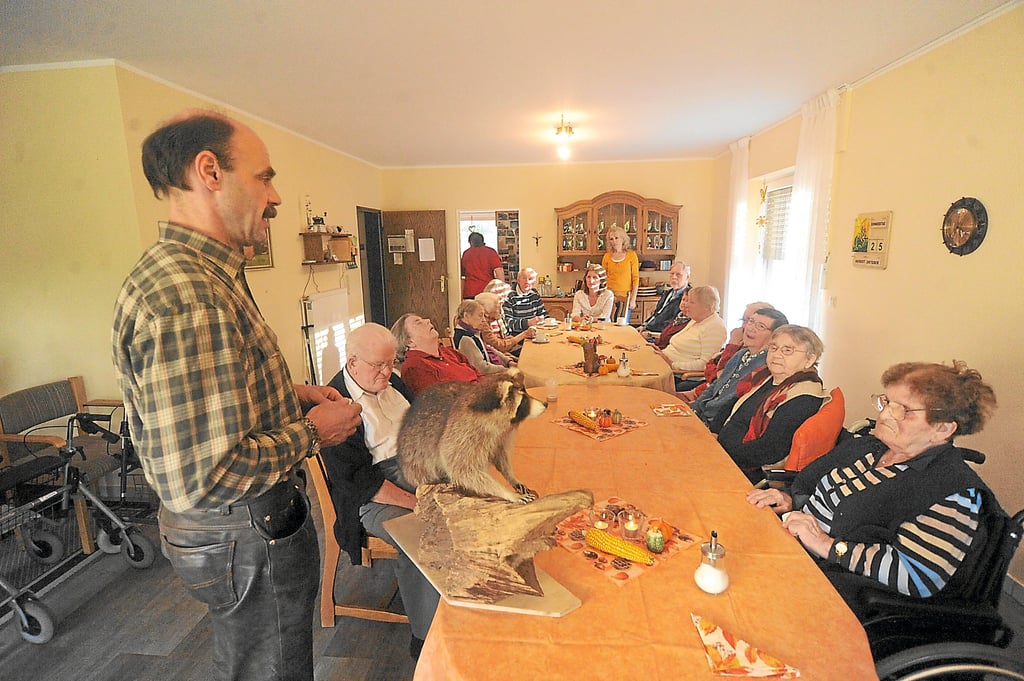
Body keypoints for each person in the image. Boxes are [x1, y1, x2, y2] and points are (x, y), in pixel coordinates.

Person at [111, 111, 364, 681]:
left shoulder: (197, 274)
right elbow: (203, 473)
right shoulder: (190, 295)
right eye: (264, 178)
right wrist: (314, 432)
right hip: (244, 530)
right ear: (210, 172)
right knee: (270, 666)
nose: (274, 196)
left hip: (240, 530)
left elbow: (206, 400)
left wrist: (287, 393)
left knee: (258, 657)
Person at [746, 361, 1001, 619]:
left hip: (831, 588)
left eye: (903, 411)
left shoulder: (953, 492)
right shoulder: (870, 447)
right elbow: (816, 486)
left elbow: (915, 575)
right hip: (790, 549)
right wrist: (788, 498)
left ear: (942, 429)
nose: (886, 414)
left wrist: (826, 544)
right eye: (887, 402)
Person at [321, 323, 440, 660]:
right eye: (379, 365)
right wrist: (418, 502)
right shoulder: (335, 407)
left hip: (417, 472)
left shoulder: (392, 380)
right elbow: (359, 482)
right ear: (353, 361)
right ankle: (426, 640)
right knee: (420, 535)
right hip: (373, 498)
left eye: (391, 363)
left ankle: (465, 602)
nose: (388, 372)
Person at [716, 325, 829, 483]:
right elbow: (733, 404)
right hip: (723, 451)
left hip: (745, 471)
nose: (777, 355)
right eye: (774, 348)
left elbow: (769, 450)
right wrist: (713, 433)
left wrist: (720, 454)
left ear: (809, 359)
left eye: (787, 350)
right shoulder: (767, 377)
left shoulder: (804, 396)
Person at [687, 306, 788, 429]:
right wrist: (695, 409)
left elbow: (735, 402)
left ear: (774, 336)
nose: (751, 328)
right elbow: (717, 385)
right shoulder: (741, 354)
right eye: (751, 321)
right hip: (702, 414)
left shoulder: (767, 366)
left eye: (760, 326)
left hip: (718, 424)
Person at [682, 302, 777, 404]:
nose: (747, 327)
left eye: (760, 326)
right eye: (748, 321)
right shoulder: (742, 352)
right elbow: (711, 370)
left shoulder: (762, 363)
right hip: (705, 395)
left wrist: (732, 345)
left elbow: (718, 377)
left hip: (711, 402)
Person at [391, 313, 482, 395]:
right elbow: (440, 403)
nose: (428, 320)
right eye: (418, 323)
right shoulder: (414, 367)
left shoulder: (449, 352)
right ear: (409, 341)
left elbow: (478, 374)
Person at [655, 285, 727, 377]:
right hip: (666, 366)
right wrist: (661, 353)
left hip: (679, 376)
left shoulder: (715, 327)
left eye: (692, 302)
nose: (687, 305)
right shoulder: (695, 320)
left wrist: (672, 364)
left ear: (706, 307)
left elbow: (705, 364)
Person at [453, 299, 507, 375]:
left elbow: (488, 349)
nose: (484, 320)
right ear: (466, 316)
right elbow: (481, 368)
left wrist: (508, 361)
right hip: (483, 379)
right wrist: (505, 369)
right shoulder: (466, 339)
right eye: (480, 316)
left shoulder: (473, 332)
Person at [475, 291, 532, 361]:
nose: (501, 311)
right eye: (498, 307)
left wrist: (508, 340)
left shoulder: (490, 321)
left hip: (504, 354)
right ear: (487, 312)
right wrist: (524, 334)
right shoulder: (483, 325)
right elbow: (500, 346)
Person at [639, 261, 691, 336]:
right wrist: (644, 326)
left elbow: (673, 326)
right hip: (649, 330)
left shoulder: (688, 298)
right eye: (672, 274)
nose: (674, 277)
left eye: (678, 274)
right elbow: (656, 314)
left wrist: (651, 334)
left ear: (687, 277)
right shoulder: (668, 293)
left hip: (659, 335)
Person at [601, 225, 639, 322]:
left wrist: (633, 299)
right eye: (611, 239)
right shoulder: (607, 257)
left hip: (626, 297)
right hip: (610, 297)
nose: (614, 241)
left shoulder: (631, 255)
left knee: (622, 325)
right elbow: (602, 278)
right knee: (608, 325)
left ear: (623, 239)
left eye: (616, 238)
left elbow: (635, 278)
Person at [502, 268, 548, 334]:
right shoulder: (510, 296)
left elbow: (544, 314)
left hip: (535, 334)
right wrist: (527, 323)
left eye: (530, 279)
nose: (527, 282)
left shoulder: (534, 294)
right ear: (518, 280)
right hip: (518, 338)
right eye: (524, 278)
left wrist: (545, 320)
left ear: (534, 282)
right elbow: (507, 323)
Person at [460, 231, 504, 299]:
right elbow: (499, 270)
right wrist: (502, 289)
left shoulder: (466, 254)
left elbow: (462, 276)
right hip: (487, 291)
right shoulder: (490, 252)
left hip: (470, 291)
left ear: (470, 242)